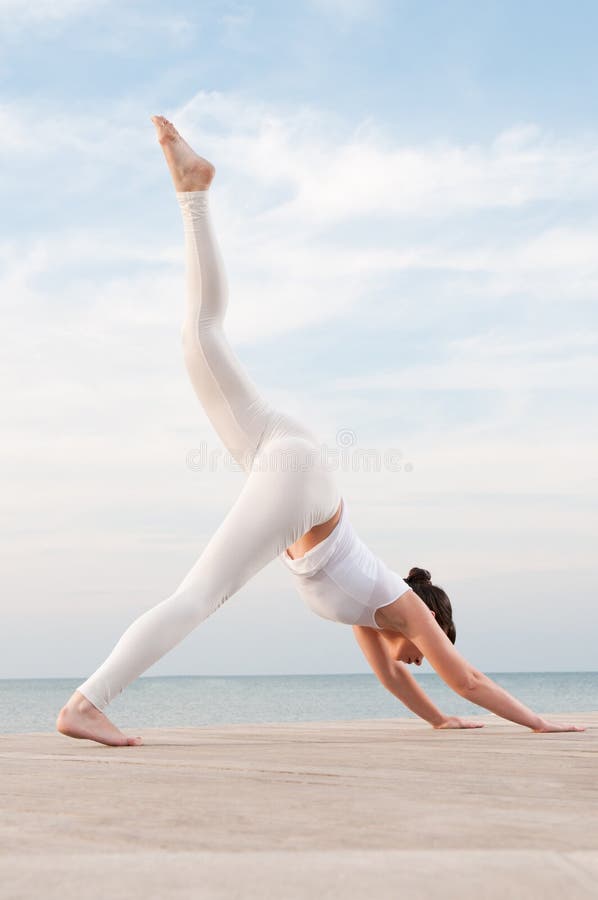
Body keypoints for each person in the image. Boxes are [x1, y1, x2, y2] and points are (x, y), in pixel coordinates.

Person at [56, 116, 585, 746]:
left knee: (199, 337)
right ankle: (86, 705)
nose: (420, 660)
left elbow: (394, 683)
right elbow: (466, 677)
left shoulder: (368, 613)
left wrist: (439, 719)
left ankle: (193, 191)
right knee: (196, 599)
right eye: (427, 649)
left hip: (281, 458)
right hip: (298, 477)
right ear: (435, 627)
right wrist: (537, 720)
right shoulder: (403, 609)